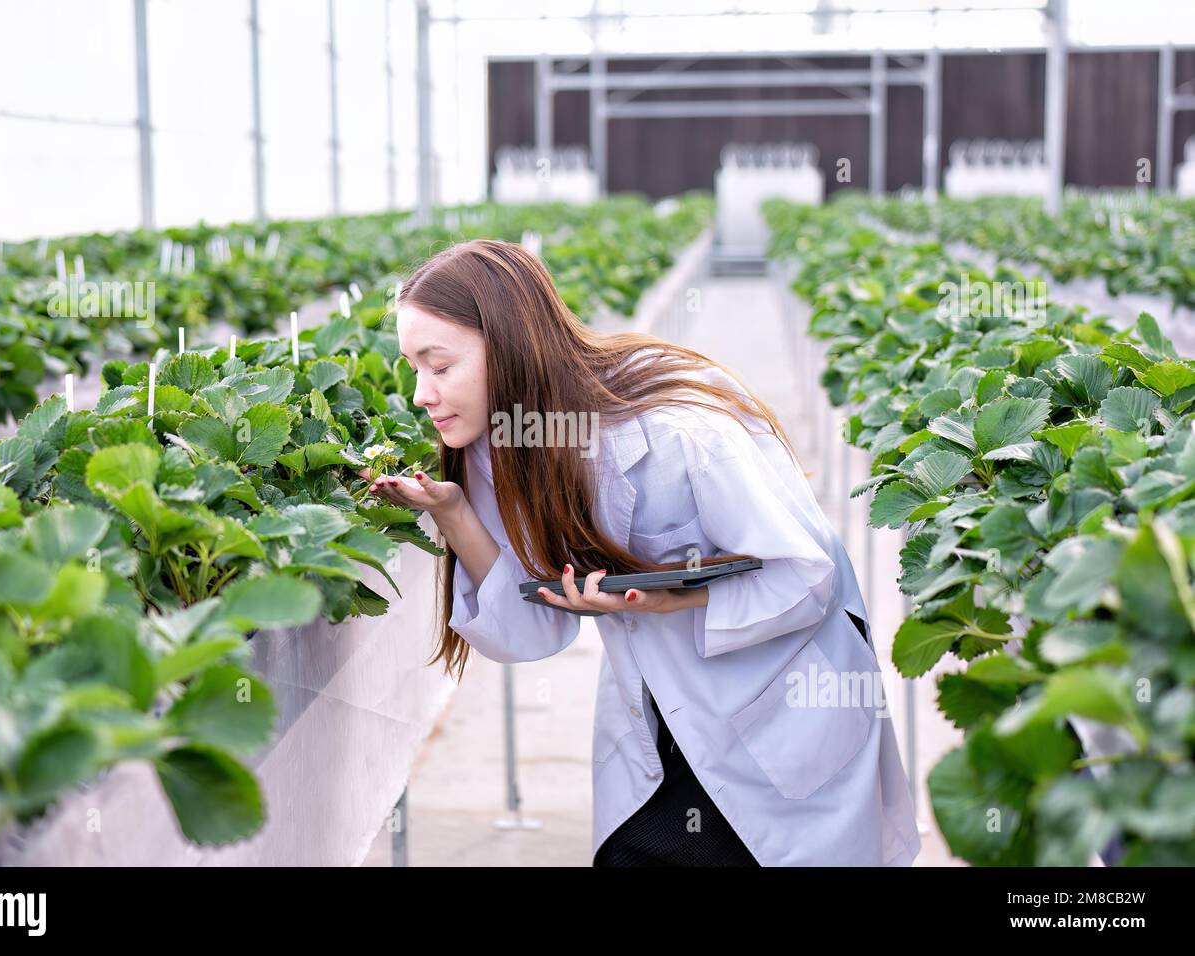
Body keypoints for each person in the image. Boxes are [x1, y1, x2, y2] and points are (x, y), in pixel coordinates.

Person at [359, 237, 920, 867]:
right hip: (664, 718)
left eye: (439, 366)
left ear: (511, 346)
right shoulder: (497, 444)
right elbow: (531, 631)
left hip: (779, 709)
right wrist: (453, 511)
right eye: (412, 367)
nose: (420, 395)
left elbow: (806, 579)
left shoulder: (683, 431)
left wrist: (673, 598)